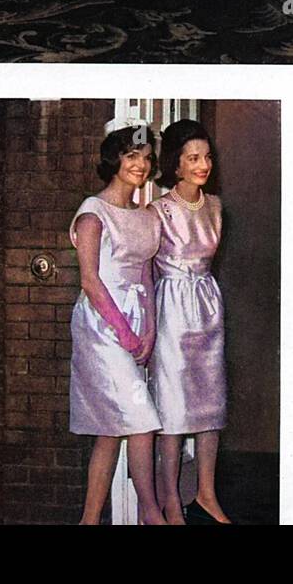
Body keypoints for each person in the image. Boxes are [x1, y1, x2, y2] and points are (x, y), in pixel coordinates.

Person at [69, 122, 167, 525]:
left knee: (110, 430)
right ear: (115, 160)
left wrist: (148, 330)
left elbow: (146, 276)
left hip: (136, 320)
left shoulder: (146, 216)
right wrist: (125, 333)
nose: (140, 165)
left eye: (146, 158)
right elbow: (90, 282)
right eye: (131, 156)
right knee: (142, 420)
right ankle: (151, 513)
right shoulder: (94, 211)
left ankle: (89, 521)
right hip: (101, 325)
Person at [149, 120, 230, 525]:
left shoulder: (215, 206)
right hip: (172, 313)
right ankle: (169, 503)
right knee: (174, 409)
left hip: (208, 309)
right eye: (193, 158)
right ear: (176, 165)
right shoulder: (158, 210)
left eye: (207, 156)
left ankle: (206, 494)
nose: (203, 165)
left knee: (211, 406)